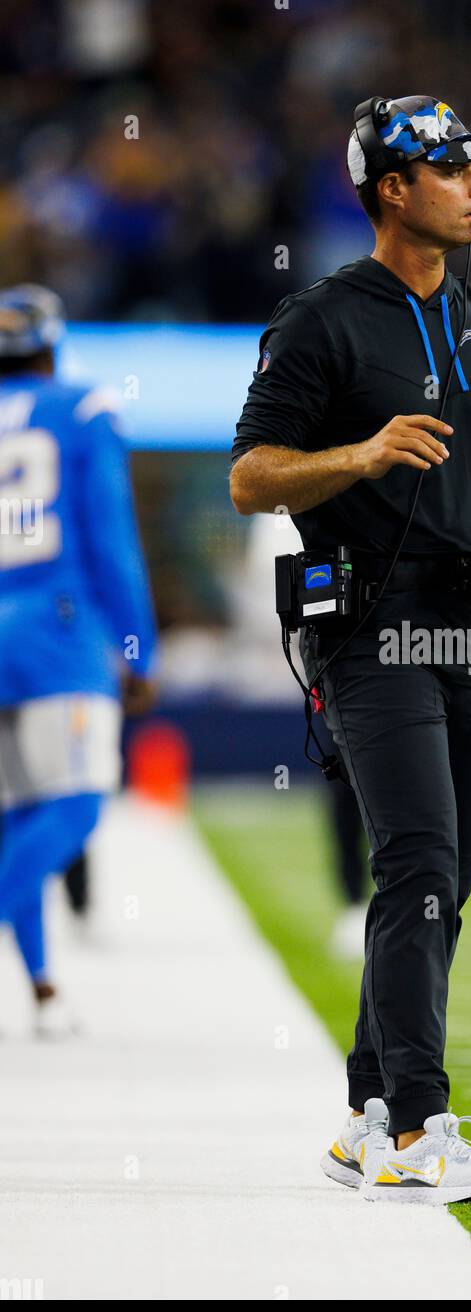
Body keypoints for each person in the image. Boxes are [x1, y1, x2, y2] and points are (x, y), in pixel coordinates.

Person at [230, 96, 471, 1203]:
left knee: (441, 880)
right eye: (457, 171)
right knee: (420, 862)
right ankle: (420, 1126)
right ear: (394, 189)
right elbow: (252, 476)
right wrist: (361, 452)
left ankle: (369, 1113)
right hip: (375, 621)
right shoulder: (323, 319)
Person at [0, 284, 158, 1036]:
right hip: (55, 634)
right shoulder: (82, 410)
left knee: (18, 813)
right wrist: (138, 647)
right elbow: (110, 540)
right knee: (76, 801)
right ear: (52, 343)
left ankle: (42, 990)